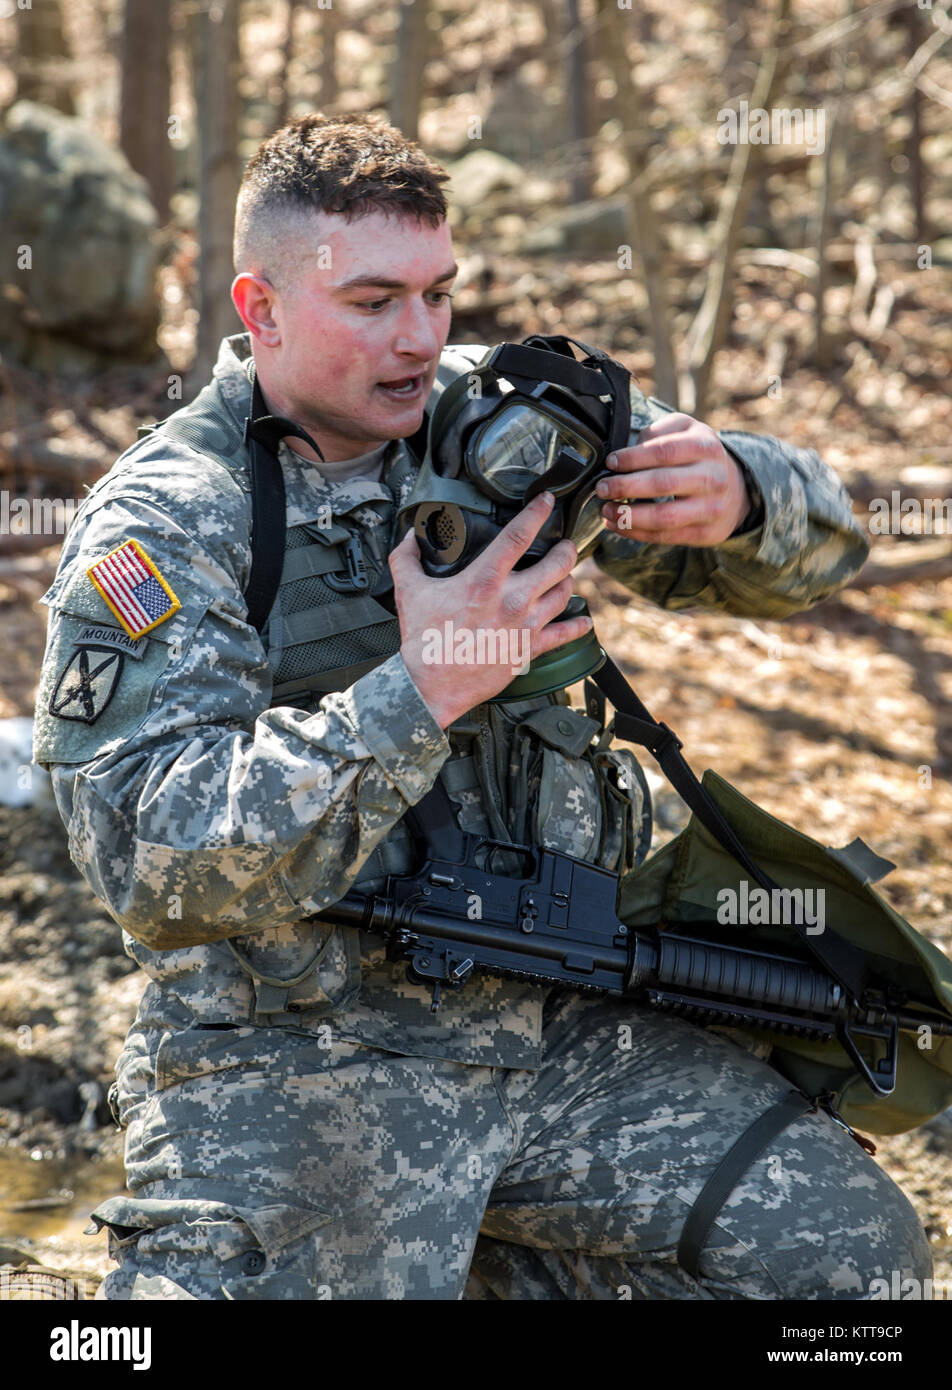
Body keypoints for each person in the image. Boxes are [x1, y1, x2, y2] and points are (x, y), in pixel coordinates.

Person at [33, 113, 930, 1301]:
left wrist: (748, 492)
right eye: (371, 302)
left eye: (439, 293)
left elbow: (816, 553)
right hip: (301, 1052)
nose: (419, 337)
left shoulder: (498, 418)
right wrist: (424, 688)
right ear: (259, 309)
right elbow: (154, 856)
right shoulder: (168, 524)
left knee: (855, 1265)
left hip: (558, 1025)